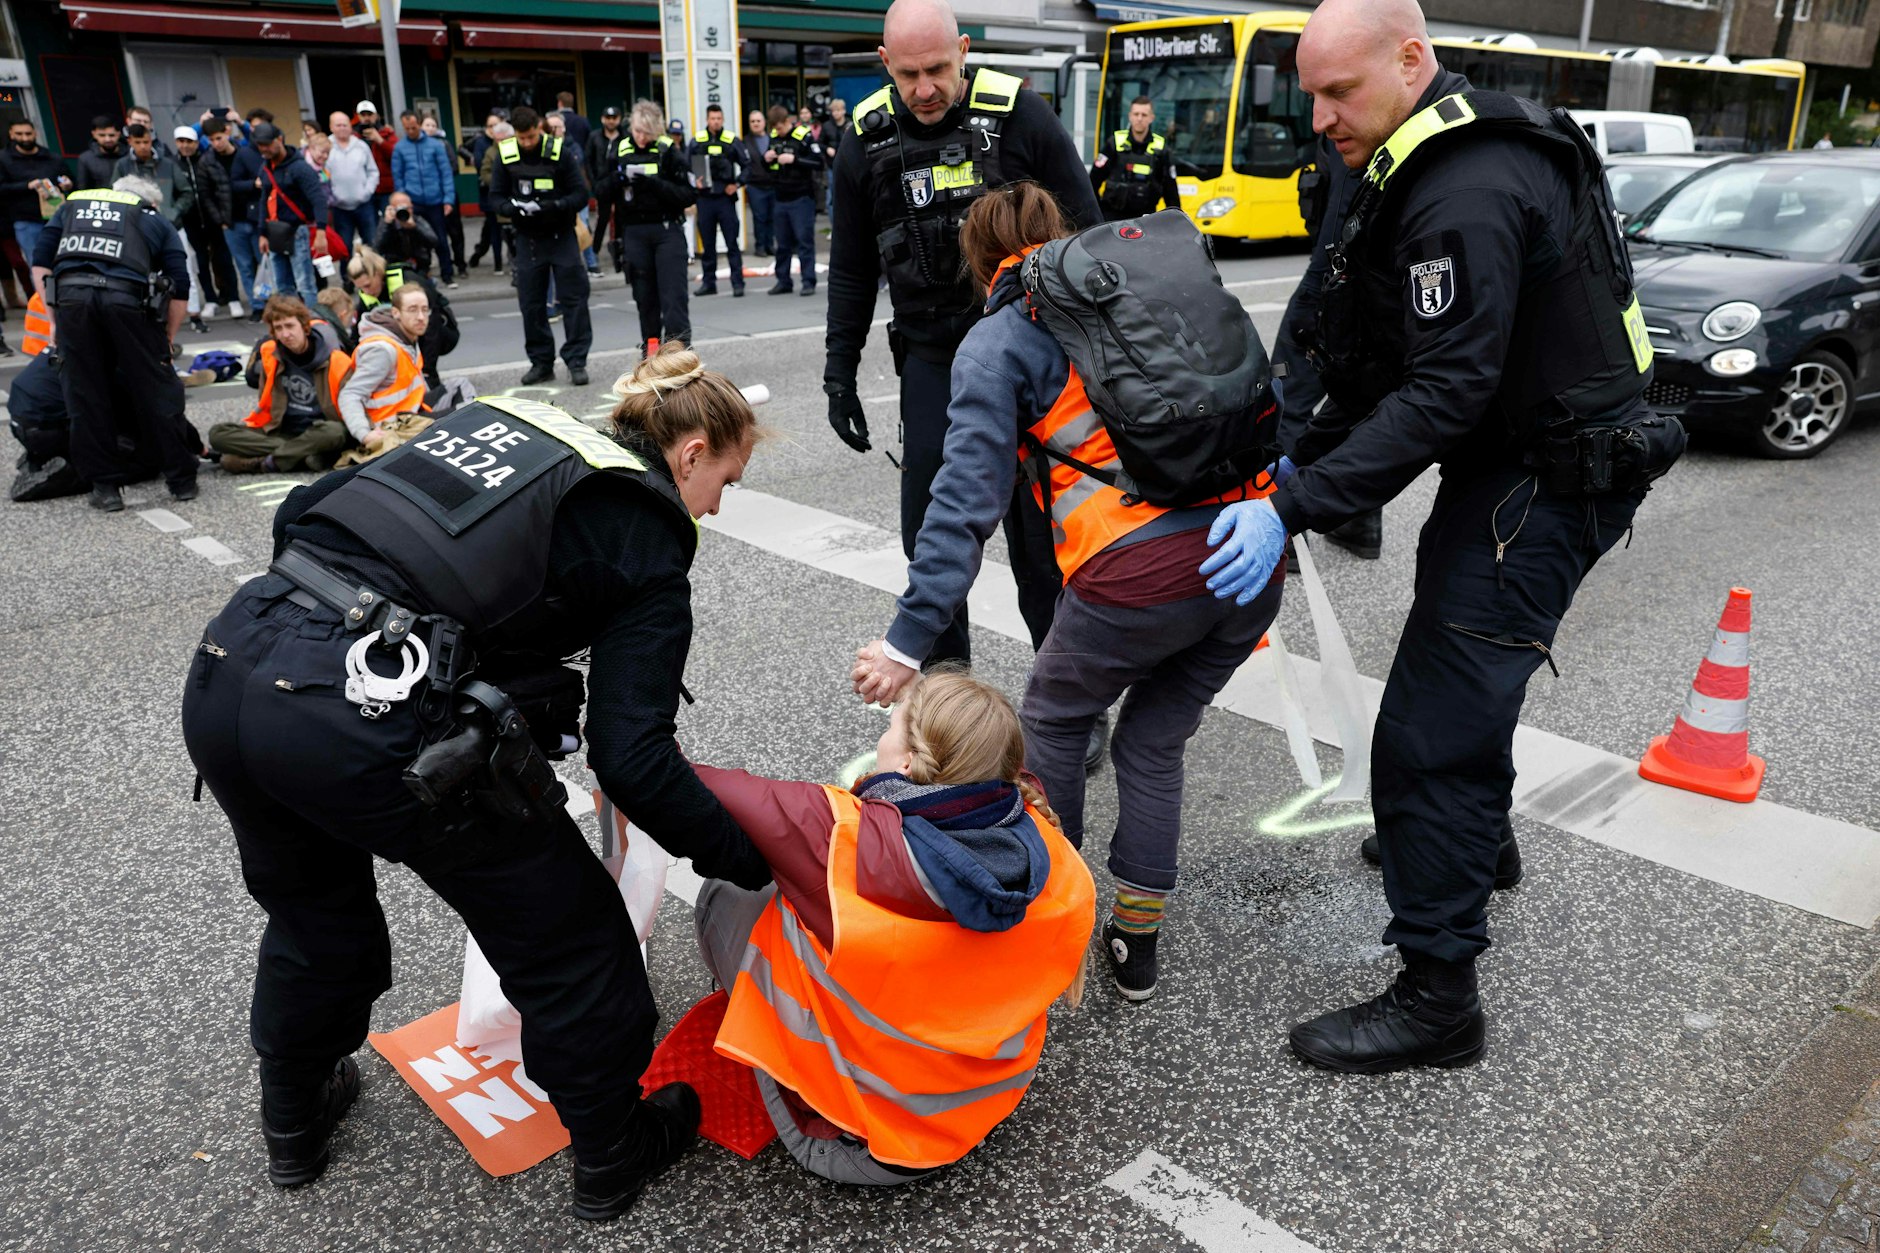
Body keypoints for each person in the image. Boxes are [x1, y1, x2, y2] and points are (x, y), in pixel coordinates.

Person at [180, 343, 770, 1218]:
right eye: (725, 480)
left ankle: (294, 1121)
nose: (716, 504)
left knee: (312, 911)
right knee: (573, 939)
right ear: (689, 455)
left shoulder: (515, 421)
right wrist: (750, 859)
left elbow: (309, 508)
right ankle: (614, 1149)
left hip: (233, 667)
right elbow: (632, 757)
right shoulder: (645, 527)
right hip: (368, 714)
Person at [1203, 0, 1678, 1073]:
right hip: (1522, 462)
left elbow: (1443, 391)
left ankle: (1437, 998)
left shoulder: (1463, 189)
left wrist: (1292, 504)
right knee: (1460, 675)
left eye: (1340, 91)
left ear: (1412, 59)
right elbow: (1387, 352)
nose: (1321, 116)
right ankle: (1477, 847)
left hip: (1544, 479)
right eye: (1311, 93)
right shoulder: (1433, 150)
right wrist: (1303, 454)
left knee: (1425, 734)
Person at [851, 184, 1283, 1001]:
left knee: (1053, 716)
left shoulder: (1001, 337)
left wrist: (909, 639)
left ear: (981, 262)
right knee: (1152, 741)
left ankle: (1053, 916)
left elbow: (963, 504)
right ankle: (1135, 944)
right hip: (1251, 551)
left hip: (1138, 569)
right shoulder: (1143, 294)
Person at [694, 668, 1094, 1183]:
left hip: (865, 1144)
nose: (881, 739)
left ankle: (796, 1067)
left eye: (890, 728)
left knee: (730, 894)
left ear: (906, 762)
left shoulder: (842, 836)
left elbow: (677, 776)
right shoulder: (1048, 847)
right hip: (983, 1103)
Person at [824, 0, 1103, 676]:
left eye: (938, 70)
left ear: (965, 51)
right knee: (930, 534)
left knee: (1042, 542)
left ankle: (1068, 691)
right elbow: (852, 270)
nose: (924, 89)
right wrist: (839, 373)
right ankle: (948, 692)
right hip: (932, 361)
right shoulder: (865, 141)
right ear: (885, 63)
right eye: (908, 74)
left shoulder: (1021, 115)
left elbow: (1089, 238)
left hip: (1031, 355)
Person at [31, 174, 196, 511]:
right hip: (128, 301)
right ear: (149, 202)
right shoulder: (152, 217)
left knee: (85, 396)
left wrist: (54, 320)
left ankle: (105, 489)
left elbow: (41, 262)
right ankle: (181, 481)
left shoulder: (72, 207)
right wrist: (167, 339)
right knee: (157, 390)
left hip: (73, 300)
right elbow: (180, 283)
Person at [1270, 123, 1387, 562]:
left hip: (1330, 282)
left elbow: (1339, 222)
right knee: (1360, 402)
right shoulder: (1387, 122)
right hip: (1374, 289)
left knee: (1284, 400)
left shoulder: (1347, 130)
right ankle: (1359, 522)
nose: (1320, 115)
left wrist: (1321, 291)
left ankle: (1278, 530)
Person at [490, 105, 593, 386]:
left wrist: (556, 205)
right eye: (522, 138)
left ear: (540, 128)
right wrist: (511, 208)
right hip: (528, 239)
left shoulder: (559, 151)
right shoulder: (506, 153)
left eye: (531, 136)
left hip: (561, 235)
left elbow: (581, 194)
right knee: (531, 304)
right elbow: (495, 197)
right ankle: (541, 363)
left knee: (574, 300)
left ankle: (576, 361)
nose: (527, 143)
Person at [209, 295, 351, 473]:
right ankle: (302, 455)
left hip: (320, 430)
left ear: (305, 327)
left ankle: (270, 461)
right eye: (278, 328)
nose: (285, 334)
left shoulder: (337, 360)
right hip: (281, 430)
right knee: (218, 434)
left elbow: (348, 414)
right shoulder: (271, 356)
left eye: (290, 326)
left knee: (335, 432)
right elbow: (264, 400)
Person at [598, 101, 694, 353]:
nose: (641, 138)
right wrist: (616, 180)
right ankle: (650, 353)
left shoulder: (668, 150)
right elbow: (599, 191)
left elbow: (688, 194)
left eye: (647, 133)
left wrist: (655, 184)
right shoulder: (620, 149)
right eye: (638, 131)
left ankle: (679, 354)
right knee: (645, 298)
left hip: (667, 230)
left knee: (674, 298)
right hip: (634, 232)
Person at [334, 280, 429, 458]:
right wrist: (365, 435)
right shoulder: (383, 350)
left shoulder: (406, 337)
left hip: (410, 413)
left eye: (425, 309)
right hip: (389, 425)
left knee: (460, 390)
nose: (421, 317)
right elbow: (350, 395)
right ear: (396, 313)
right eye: (413, 309)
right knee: (464, 412)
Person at [346, 244, 456, 388]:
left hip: (436, 331)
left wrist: (427, 370)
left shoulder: (407, 280)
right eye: (360, 288)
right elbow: (357, 333)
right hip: (404, 339)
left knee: (426, 382)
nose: (365, 292)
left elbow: (431, 327)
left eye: (367, 285)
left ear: (378, 273)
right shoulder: (367, 293)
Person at [254, 123, 326, 307]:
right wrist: (262, 233)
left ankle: (312, 318)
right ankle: (290, 317)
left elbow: (318, 199)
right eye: (260, 145)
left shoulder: (300, 168)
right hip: (274, 231)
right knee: (282, 285)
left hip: (297, 231)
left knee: (305, 284)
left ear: (279, 139)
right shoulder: (266, 167)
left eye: (267, 144)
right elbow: (263, 200)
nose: (264, 149)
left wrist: (321, 231)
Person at [172, 126, 237, 326]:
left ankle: (232, 297)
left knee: (223, 258)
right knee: (200, 261)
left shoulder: (207, 159)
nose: (185, 146)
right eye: (181, 141)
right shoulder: (174, 164)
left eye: (189, 142)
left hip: (213, 218)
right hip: (190, 221)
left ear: (196, 143)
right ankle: (210, 299)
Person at [1090, 96, 1181, 222]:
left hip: (1145, 220)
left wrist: (1176, 222)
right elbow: (1093, 181)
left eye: (1144, 115)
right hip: (1113, 219)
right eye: (1136, 114)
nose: (1139, 118)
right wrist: (1097, 215)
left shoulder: (1161, 150)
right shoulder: (1114, 143)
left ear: (1151, 118)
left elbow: (1171, 192)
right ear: (1130, 116)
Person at [391, 112, 456, 286]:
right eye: (407, 128)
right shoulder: (399, 148)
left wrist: (448, 199)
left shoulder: (435, 145)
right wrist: (403, 202)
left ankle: (447, 274)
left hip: (435, 200)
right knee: (416, 242)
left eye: (413, 127)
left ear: (419, 124)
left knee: (440, 239)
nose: (410, 131)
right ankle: (421, 275)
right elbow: (398, 177)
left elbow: (445, 173)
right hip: (414, 202)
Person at [688, 105, 746, 298]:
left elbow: (747, 166)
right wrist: (693, 182)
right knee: (708, 244)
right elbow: (685, 166)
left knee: (732, 243)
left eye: (719, 118)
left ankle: (738, 283)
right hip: (705, 198)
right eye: (712, 118)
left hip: (725, 199)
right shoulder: (697, 141)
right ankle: (709, 283)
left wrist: (737, 184)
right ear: (707, 120)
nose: (716, 122)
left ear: (723, 120)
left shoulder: (731, 140)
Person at [208, 119, 264, 317]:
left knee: (263, 265)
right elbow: (207, 195)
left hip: (254, 219)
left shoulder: (245, 152)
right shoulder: (209, 160)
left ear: (228, 132)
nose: (216, 143)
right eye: (211, 140)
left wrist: (240, 121)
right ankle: (257, 306)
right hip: (231, 223)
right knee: (245, 266)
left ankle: (269, 302)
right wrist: (220, 220)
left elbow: (258, 137)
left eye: (219, 138)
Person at [762, 105, 820, 296]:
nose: (777, 131)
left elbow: (818, 162)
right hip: (780, 197)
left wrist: (795, 159)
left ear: (787, 121)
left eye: (779, 127)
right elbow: (768, 167)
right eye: (774, 128)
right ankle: (783, 281)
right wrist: (766, 159)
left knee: (804, 242)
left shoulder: (804, 136)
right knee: (782, 244)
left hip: (801, 198)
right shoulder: (774, 137)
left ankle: (808, 281)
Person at [0, 119, 71, 271]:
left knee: (65, 260)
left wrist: (67, 184)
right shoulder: (4, 159)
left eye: (28, 134)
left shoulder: (51, 157)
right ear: (11, 134)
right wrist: (27, 186)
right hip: (26, 220)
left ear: (35, 133)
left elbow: (69, 180)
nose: (25, 138)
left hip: (55, 217)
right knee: (38, 264)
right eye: (19, 134)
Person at [113, 124, 190, 230]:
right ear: (130, 141)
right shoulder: (122, 165)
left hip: (170, 225)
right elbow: (114, 194)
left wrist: (174, 211)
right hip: (136, 227)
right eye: (138, 142)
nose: (142, 146)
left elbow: (187, 192)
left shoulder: (168, 164)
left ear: (151, 140)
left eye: (146, 142)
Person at [325, 112, 379, 256]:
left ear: (351, 126)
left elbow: (373, 172)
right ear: (331, 127)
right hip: (339, 208)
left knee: (371, 243)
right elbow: (322, 174)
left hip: (364, 205)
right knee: (344, 247)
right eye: (338, 125)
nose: (342, 128)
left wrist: (367, 192)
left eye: (345, 125)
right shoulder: (326, 147)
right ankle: (347, 271)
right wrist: (331, 195)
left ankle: (372, 269)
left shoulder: (361, 146)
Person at [474, 120, 515, 276]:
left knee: (514, 236)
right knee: (495, 233)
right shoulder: (491, 152)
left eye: (503, 139)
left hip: (515, 196)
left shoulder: (516, 149)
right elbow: (484, 173)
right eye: (497, 139)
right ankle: (498, 264)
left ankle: (516, 262)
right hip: (497, 197)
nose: (499, 142)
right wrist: (499, 181)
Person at [586, 106, 623, 272]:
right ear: (602, 119)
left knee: (621, 219)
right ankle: (595, 253)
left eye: (614, 118)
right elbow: (588, 161)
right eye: (608, 118)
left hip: (619, 184)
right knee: (602, 220)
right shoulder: (594, 137)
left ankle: (620, 253)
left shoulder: (624, 137)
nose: (611, 121)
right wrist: (594, 183)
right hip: (602, 185)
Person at [374, 190, 439, 275]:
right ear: (391, 209)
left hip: (419, 267)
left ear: (412, 207)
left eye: (407, 208)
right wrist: (387, 224)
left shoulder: (417, 220)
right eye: (399, 208)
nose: (404, 211)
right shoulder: (388, 224)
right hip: (395, 267)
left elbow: (434, 241)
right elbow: (377, 247)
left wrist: (415, 228)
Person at [740, 109, 776, 258]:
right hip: (755, 185)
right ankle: (760, 246)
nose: (756, 124)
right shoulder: (745, 141)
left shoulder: (772, 139)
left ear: (764, 122)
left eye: (758, 121)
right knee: (759, 217)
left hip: (772, 184)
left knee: (772, 217)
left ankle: (770, 245)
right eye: (752, 121)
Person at [354, 102, 397, 219]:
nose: (367, 118)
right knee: (370, 225)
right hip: (364, 190)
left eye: (370, 114)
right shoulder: (353, 137)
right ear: (358, 117)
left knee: (390, 222)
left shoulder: (388, 133)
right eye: (363, 115)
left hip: (386, 189)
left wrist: (379, 140)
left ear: (376, 115)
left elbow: (396, 157)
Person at [75, 117, 127, 190]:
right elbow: (82, 189)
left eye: (111, 135)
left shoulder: (130, 155)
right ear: (94, 134)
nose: (107, 139)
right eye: (102, 135)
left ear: (118, 134)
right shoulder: (85, 159)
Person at [820, 100, 847, 222]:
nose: (835, 113)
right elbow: (819, 143)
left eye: (838, 110)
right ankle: (834, 226)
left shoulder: (850, 125)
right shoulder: (826, 126)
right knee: (831, 198)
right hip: (831, 165)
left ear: (843, 111)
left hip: (847, 165)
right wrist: (827, 149)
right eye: (833, 111)